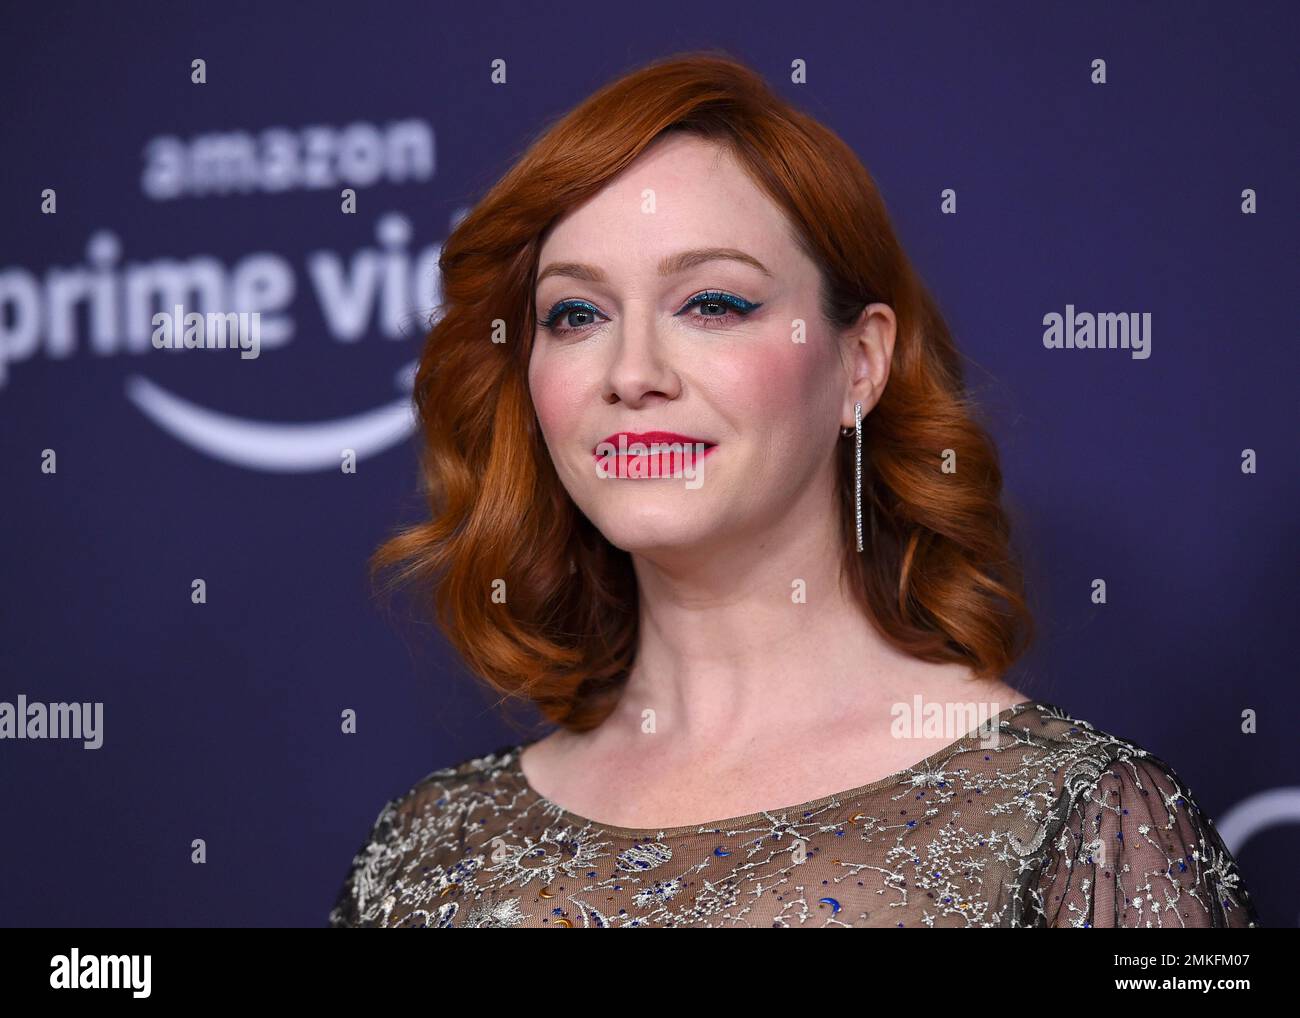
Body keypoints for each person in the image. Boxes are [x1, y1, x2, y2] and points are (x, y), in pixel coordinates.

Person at [328, 51, 1260, 928]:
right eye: (576, 314)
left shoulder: (1086, 824)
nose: (633, 372)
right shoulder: (428, 848)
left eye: (713, 304)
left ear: (860, 363)